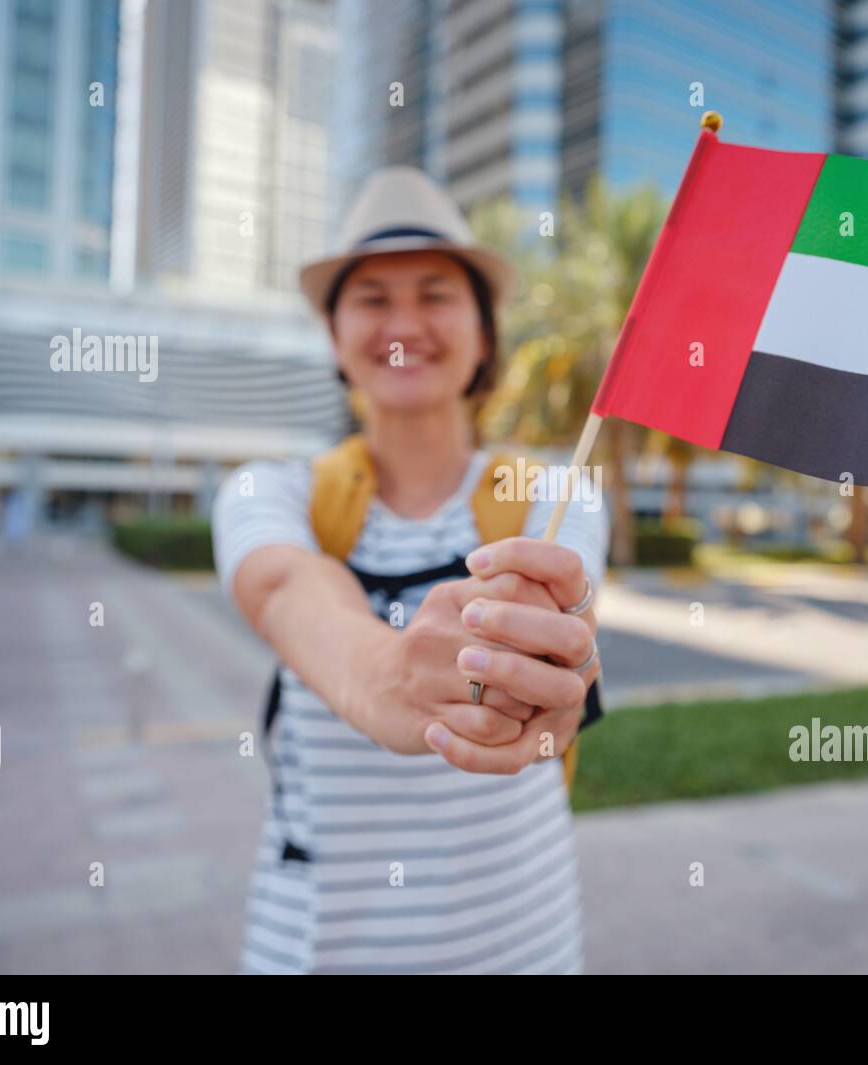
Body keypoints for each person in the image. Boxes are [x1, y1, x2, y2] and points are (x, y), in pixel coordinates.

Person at [211, 166, 608, 974]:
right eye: (371, 299)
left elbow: (551, 665)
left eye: (435, 294)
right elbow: (288, 586)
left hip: (520, 943)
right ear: (333, 335)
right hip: (313, 944)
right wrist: (387, 674)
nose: (404, 323)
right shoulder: (268, 489)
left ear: (485, 333)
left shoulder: (557, 495)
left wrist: (541, 698)